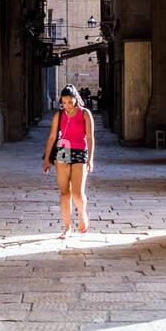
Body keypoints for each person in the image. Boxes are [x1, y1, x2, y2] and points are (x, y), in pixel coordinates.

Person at [42, 84, 94, 238]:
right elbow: (52, 137)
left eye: (70, 102)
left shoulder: (85, 114)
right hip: (63, 151)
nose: (67, 106)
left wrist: (90, 159)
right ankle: (67, 227)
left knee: (77, 194)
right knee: (65, 194)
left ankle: (82, 213)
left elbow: (90, 138)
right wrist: (46, 160)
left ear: (76, 100)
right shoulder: (59, 115)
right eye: (64, 103)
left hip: (79, 152)